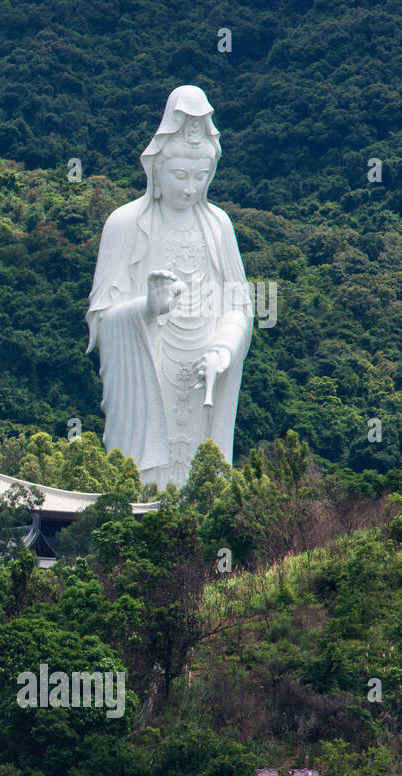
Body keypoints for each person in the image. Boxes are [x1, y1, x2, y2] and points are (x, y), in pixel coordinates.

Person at [85, 85, 252, 489]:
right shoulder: (125, 224)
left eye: (200, 176)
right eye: (180, 175)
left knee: (201, 479)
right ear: (156, 170)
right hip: (149, 370)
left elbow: (240, 306)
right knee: (147, 481)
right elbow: (101, 318)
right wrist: (146, 308)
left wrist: (223, 351)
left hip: (204, 375)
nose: (190, 188)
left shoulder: (219, 226)